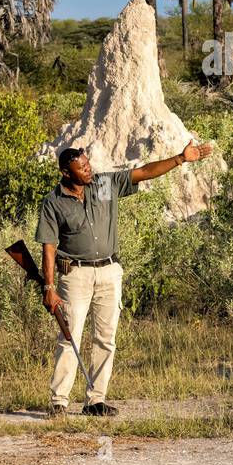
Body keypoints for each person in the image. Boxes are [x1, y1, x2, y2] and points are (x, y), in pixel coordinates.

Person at [37, 140, 213, 416]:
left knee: (105, 338)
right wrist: (49, 287)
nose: (88, 170)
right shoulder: (52, 203)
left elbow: (144, 172)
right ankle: (59, 401)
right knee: (69, 336)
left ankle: (95, 401)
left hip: (109, 271)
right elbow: (48, 246)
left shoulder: (104, 184)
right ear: (65, 173)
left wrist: (180, 158)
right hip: (75, 276)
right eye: (81, 168)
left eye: (88, 164)